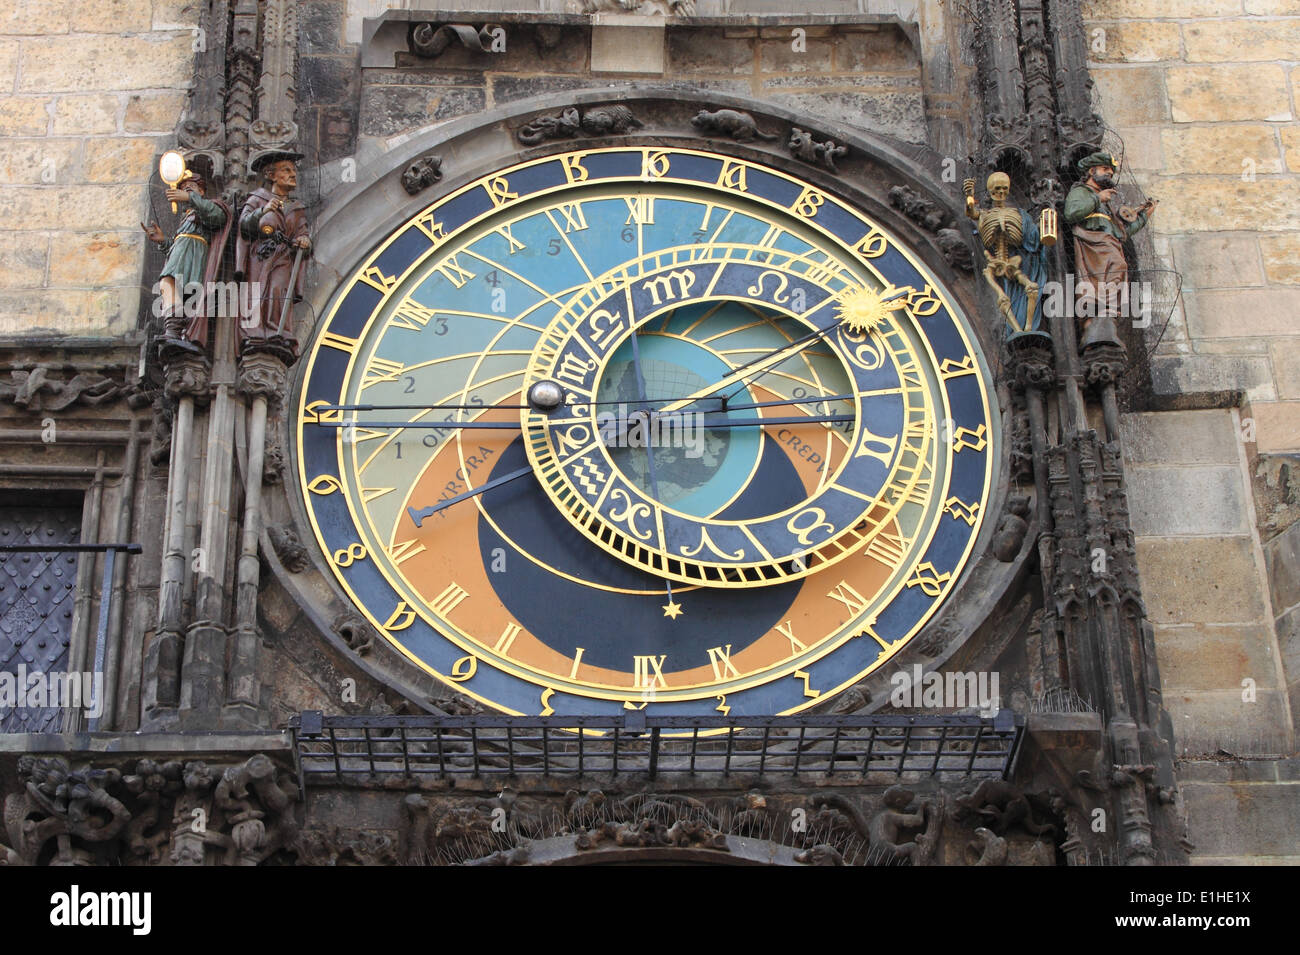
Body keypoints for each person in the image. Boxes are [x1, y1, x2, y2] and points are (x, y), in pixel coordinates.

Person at [1063, 151, 1156, 339]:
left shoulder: (1106, 202)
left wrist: (1145, 216)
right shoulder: (1081, 192)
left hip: (1109, 243)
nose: (1109, 174)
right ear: (1091, 171)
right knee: (1116, 266)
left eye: (1111, 173)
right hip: (1092, 244)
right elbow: (1071, 213)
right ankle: (1095, 312)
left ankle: (1106, 309)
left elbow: (1120, 233)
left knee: (1119, 268)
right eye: (1105, 169)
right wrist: (1098, 198)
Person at [141, 171, 231, 355]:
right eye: (183, 188)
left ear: (202, 191)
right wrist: (162, 241)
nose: (186, 189)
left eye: (191, 187)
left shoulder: (208, 207)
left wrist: (190, 198)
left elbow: (218, 218)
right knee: (167, 285)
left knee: (176, 287)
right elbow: (176, 246)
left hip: (194, 256)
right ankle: (173, 330)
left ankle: (179, 330)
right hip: (180, 255)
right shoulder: (186, 217)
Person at [235, 150, 311, 359]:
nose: (293, 174)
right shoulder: (258, 198)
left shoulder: (296, 208)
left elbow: (302, 233)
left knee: (278, 290)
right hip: (260, 256)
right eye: (286, 170)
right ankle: (256, 332)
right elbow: (244, 225)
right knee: (259, 291)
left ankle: (278, 330)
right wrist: (264, 211)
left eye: (293, 170)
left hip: (283, 256)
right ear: (271, 175)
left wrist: (304, 241)